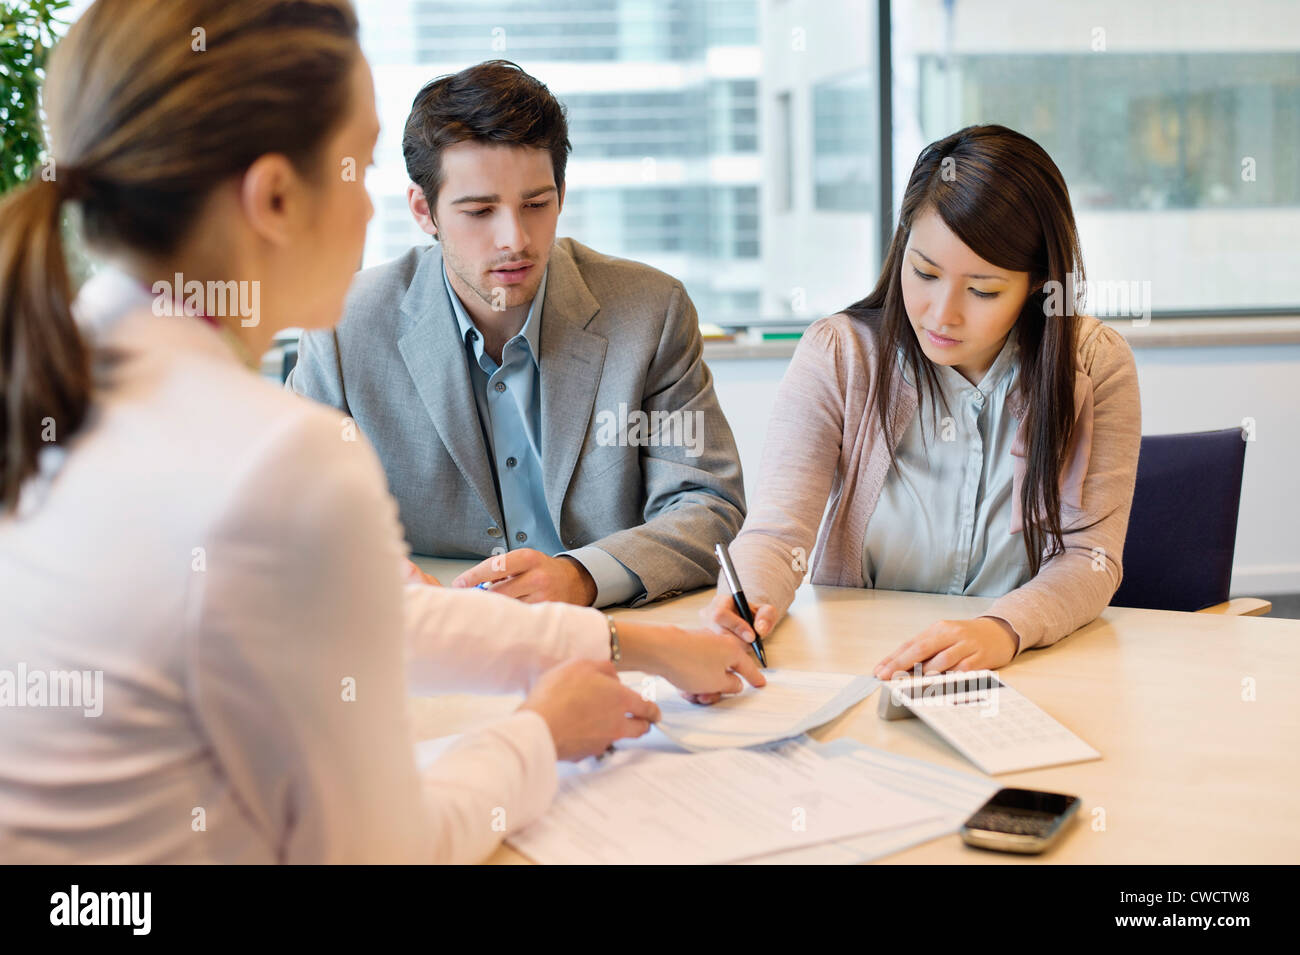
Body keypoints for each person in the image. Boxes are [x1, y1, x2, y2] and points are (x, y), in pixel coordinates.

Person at [0, 0, 761, 864]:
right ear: (278, 198)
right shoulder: (274, 461)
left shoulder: (67, 370)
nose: (372, 217)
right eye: (356, 170)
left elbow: (379, 620)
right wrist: (540, 734)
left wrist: (637, 641)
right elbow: (386, 852)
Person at [288, 60, 747, 610]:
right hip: (434, 635)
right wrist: (386, 576)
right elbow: (292, 508)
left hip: (607, 631)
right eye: (480, 211)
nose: (516, 240)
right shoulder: (344, 325)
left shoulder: (651, 311)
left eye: (536, 205)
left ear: (561, 194)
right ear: (422, 210)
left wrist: (583, 576)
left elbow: (706, 503)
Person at [702, 125, 1141, 695]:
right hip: (862, 661)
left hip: (1024, 669)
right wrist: (743, 610)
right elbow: (776, 532)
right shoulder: (839, 356)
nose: (942, 314)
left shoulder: (1092, 364)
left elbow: (1091, 559)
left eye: (983, 290)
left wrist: (1001, 629)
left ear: (1038, 285)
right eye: (925, 273)